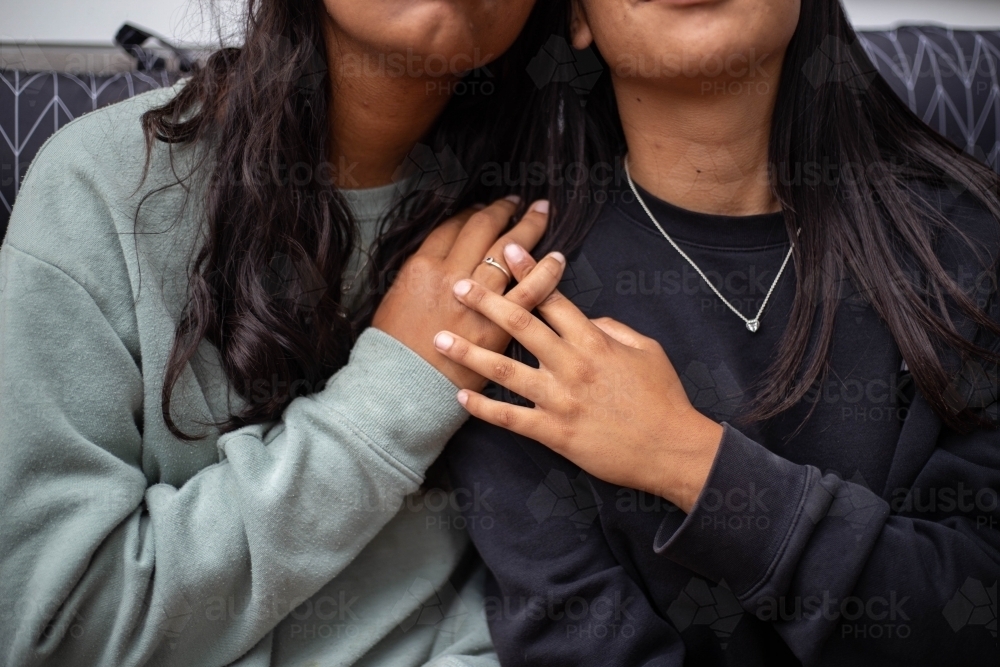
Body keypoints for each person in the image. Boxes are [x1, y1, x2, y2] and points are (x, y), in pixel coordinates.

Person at [0, 1, 572, 665]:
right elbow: (52, 627)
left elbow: (556, 608)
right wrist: (396, 391)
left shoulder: (567, 221)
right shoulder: (98, 186)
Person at [440, 0, 1000, 665]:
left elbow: (976, 614)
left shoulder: (968, 244)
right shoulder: (521, 306)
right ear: (576, 20)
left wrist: (686, 457)